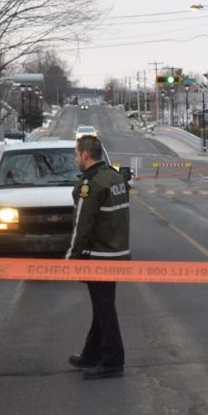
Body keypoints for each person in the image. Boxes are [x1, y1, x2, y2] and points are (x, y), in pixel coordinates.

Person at [65, 135, 129, 379]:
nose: (76, 158)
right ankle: (91, 353)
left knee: (104, 308)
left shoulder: (89, 184)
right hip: (117, 252)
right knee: (102, 306)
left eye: (76, 154)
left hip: (99, 255)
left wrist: (72, 257)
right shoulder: (115, 177)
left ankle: (113, 360)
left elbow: (82, 224)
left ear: (85, 155)